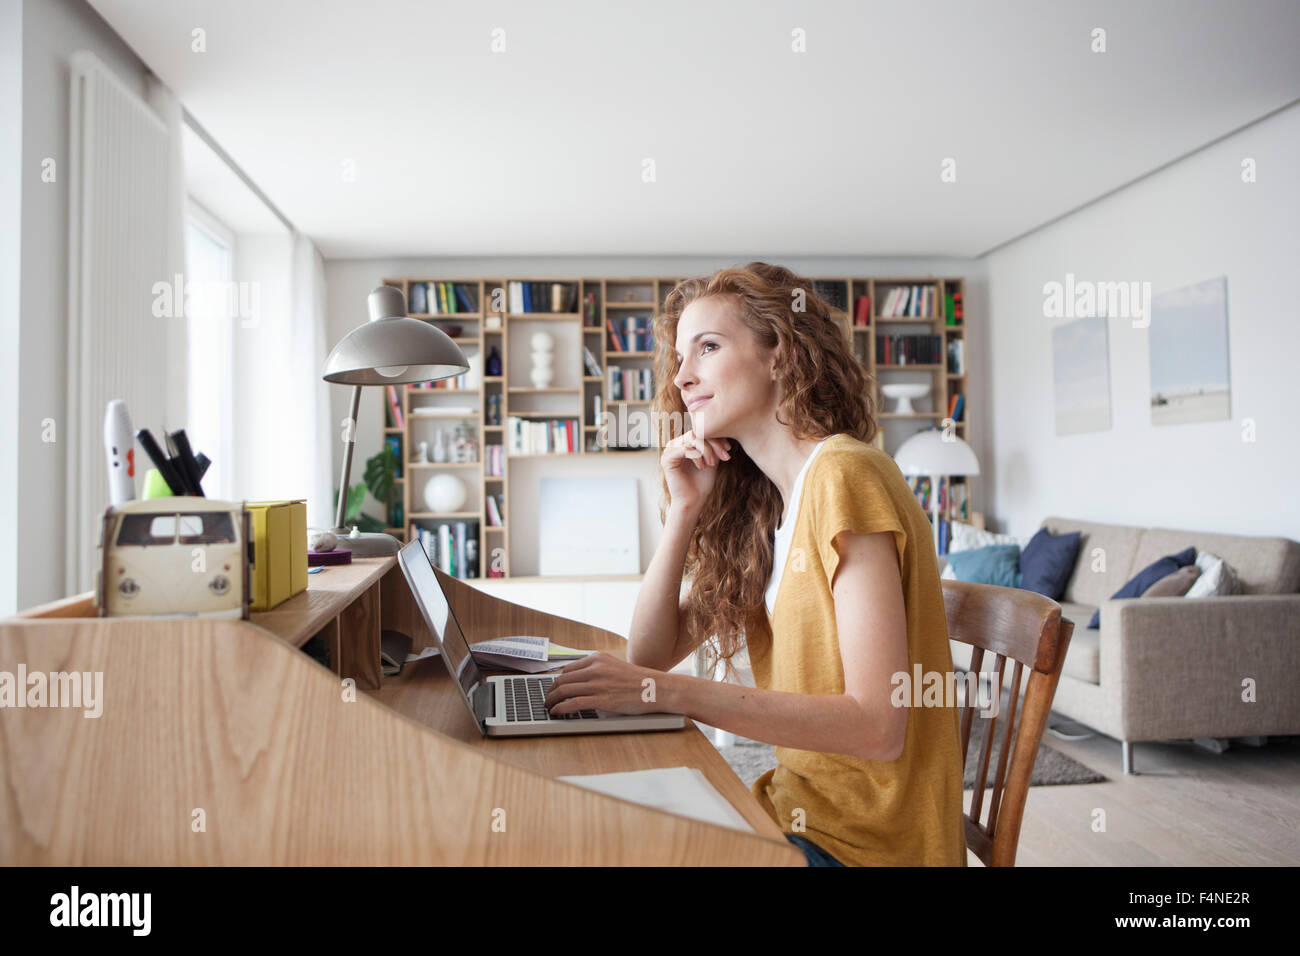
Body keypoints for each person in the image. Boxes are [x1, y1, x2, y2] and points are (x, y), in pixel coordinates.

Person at [544, 262, 966, 866]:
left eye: (708, 348)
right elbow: (648, 654)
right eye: (679, 358)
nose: (684, 376)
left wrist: (664, 692)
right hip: (794, 813)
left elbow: (878, 726)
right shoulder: (769, 510)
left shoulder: (845, 475)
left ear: (780, 355)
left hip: (862, 850)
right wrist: (684, 511)